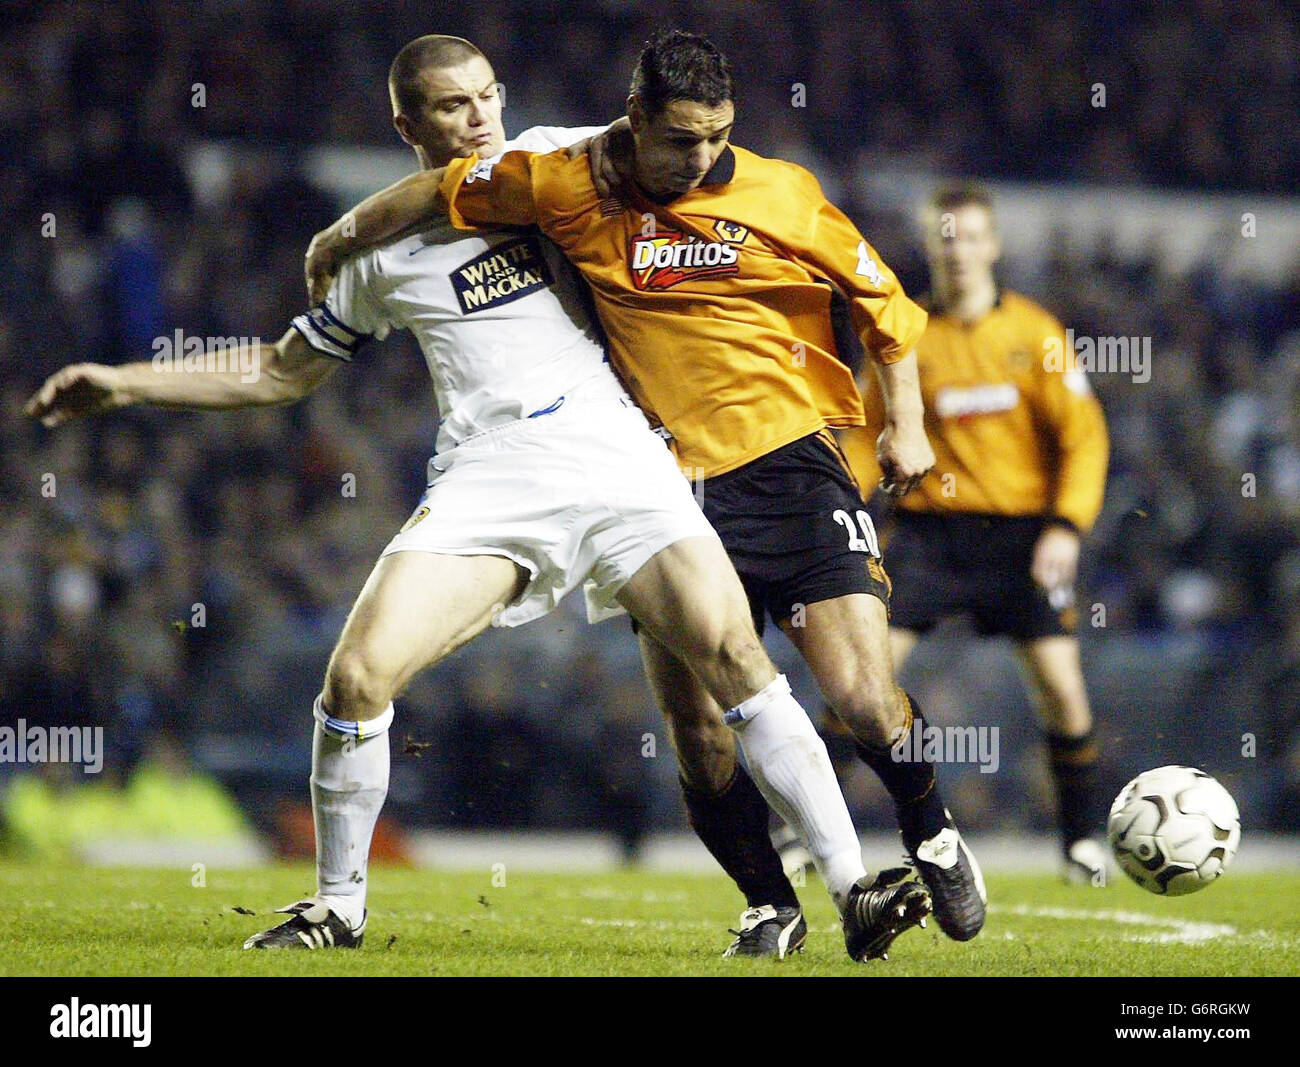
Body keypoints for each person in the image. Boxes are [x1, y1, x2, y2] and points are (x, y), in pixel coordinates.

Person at [26, 34, 929, 962]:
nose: (481, 118)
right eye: (454, 107)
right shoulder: (384, 260)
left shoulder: (569, 164)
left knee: (735, 654)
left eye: (489, 96)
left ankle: (855, 886)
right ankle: (338, 906)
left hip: (621, 457)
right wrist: (126, 381)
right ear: (406, 123)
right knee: (357, 676)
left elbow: (717, 203)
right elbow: (276, 373)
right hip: (492, 477)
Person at [306, 29, 986, 949]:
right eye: (680, 140)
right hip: (659, 484)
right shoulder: (563, 180)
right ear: (635, 121)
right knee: (702, 740)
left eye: (717, 137)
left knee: (863, 700)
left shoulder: (780, 190)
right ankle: (771, 906)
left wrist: (902, 423)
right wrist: (341, 236)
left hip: (787, 460)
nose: (702, 158)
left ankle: (931, 829)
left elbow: (888, 307)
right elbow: (436, 189)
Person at [840, 182, 1111, 882]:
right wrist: (846, 504)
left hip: (1023, 537)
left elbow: (1084, 438)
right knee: (862, 682)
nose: (957, 248)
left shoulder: (1034, 334)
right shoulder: (906, 337)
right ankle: (808, 830)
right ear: (931, 245)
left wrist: (1066, 526)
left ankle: (1080, 842)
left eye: (969, 235)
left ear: (993, 245)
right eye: (945, 235)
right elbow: (870, 434)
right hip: (929, 536)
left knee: (1062, 689)